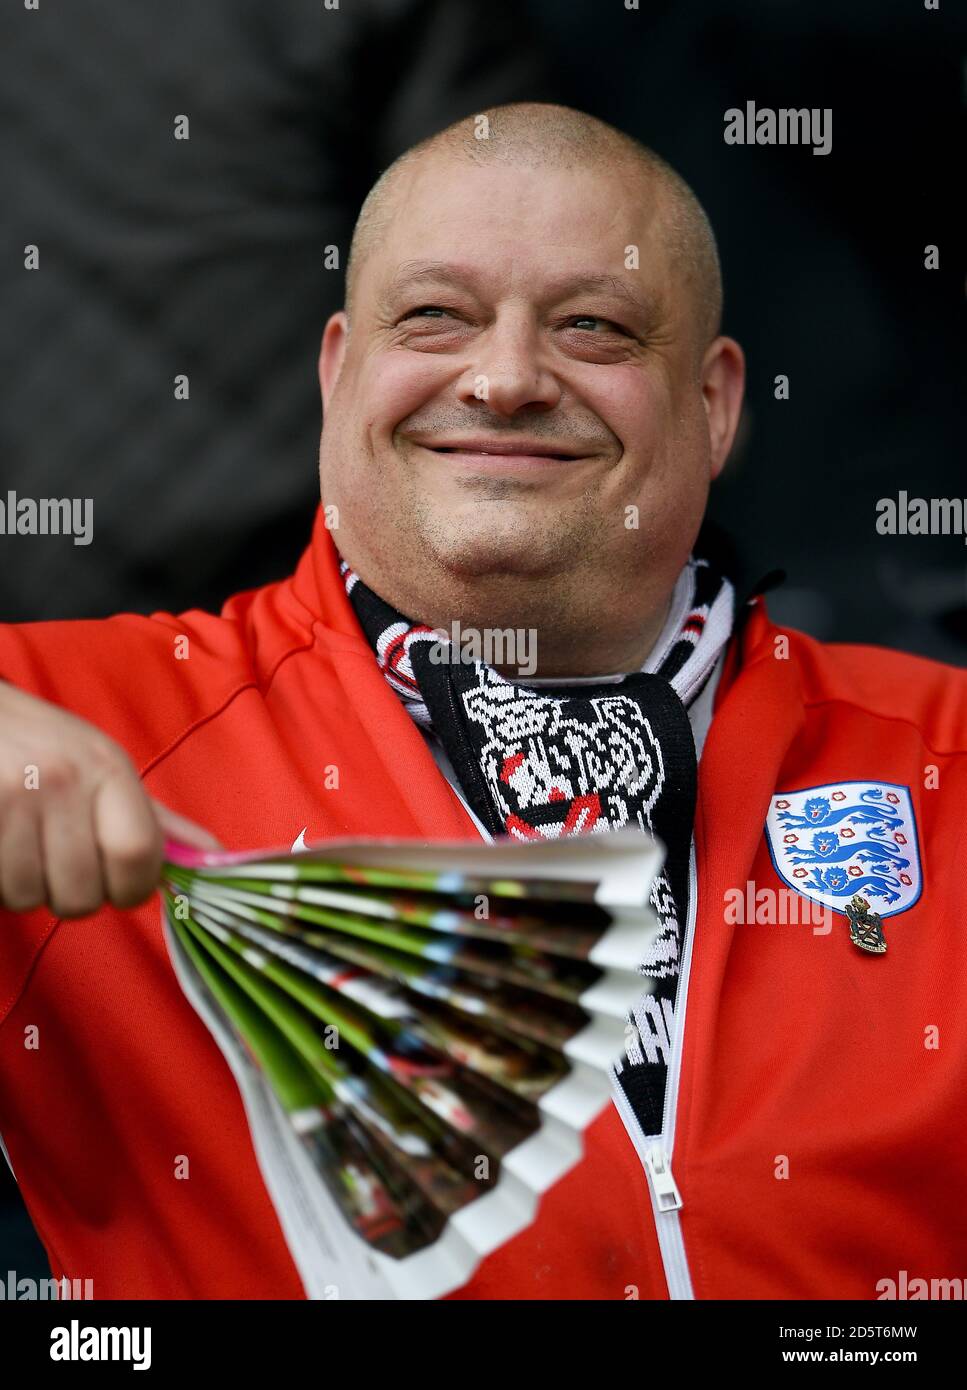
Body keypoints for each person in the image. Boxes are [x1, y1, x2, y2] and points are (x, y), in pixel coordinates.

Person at [0, 103, 963, 1301]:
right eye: (435, 317)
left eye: (593, 327)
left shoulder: (943, 754)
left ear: (714, 405)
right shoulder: (75, 719)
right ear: (338, 369)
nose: (505, 379)